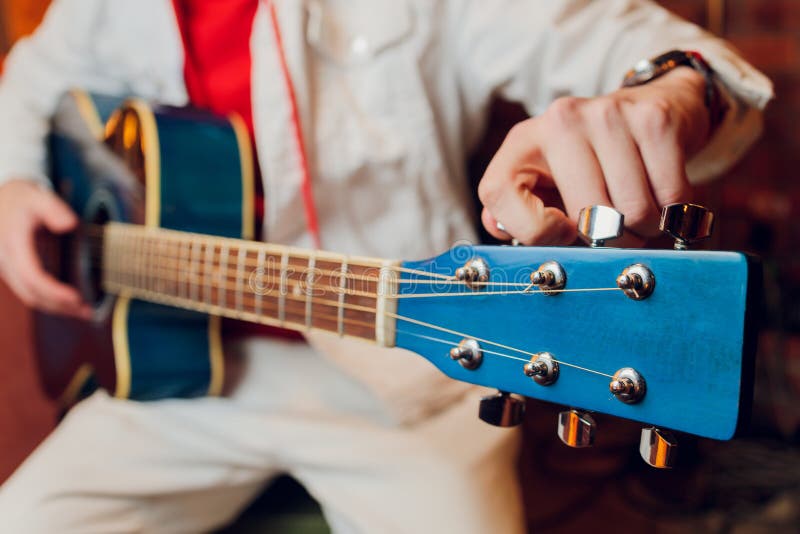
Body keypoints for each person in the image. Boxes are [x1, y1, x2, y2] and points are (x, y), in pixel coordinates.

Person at [0, 0, 773, 532]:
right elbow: (29, 81)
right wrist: (12, 187)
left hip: (411, 375)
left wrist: (673, 92)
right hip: (178, 376)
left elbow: (634, 43)